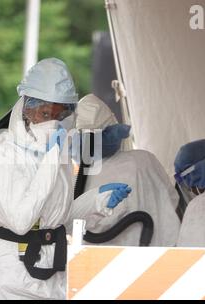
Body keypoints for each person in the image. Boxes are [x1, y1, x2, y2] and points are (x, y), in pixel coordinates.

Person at [0, 58, 131, 299]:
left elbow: (56, 219)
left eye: (63, 112)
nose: (56, 121)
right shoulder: (4, 152)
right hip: (6, 277)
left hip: (49, 273)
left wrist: (96, 201)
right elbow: (21, 220)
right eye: (47, 112)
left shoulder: (57, 151)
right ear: (28, 109)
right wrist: (51, 161)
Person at [73, 94, 180, 246]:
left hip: (102, 265)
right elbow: (173, 200)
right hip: (165, 257)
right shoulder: (145, 160)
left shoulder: (80, 180)